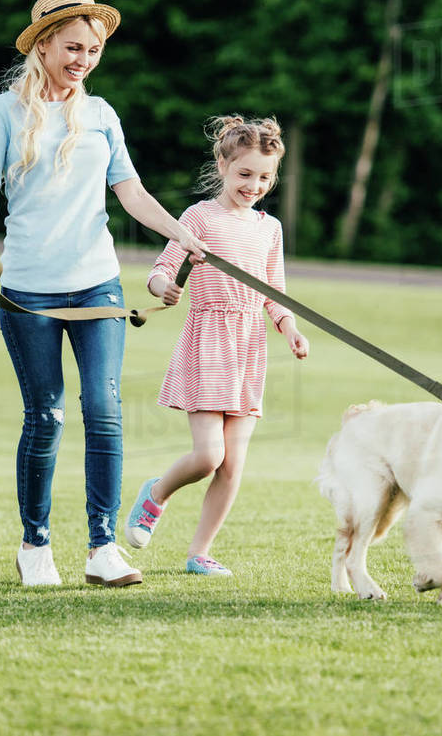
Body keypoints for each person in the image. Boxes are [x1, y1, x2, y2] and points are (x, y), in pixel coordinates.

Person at [0, 0, 206, 588]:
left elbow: (132, 193)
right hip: (29, 291)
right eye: (72, 47)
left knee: (104, 410)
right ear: (42, 45)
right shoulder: (4, 111)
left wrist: (182, 234)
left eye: (93, 50)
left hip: (97, 285)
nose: (84, 60)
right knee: (46, 415)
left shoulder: (101, 114)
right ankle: (35, 544)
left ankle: (103, 546)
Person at [124, 116, 309, 576]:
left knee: (233, 465)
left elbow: (274, 289)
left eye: (265, 177)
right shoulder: (199, 217)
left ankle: (199, 553)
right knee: (209, 457)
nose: (254, 185)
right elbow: (160, 270)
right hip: (209, 340)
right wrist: (164, 287)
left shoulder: (270, 228)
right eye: (245, 174)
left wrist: (288, 326)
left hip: (250, 346)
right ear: (223, 164)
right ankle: (157, 494)